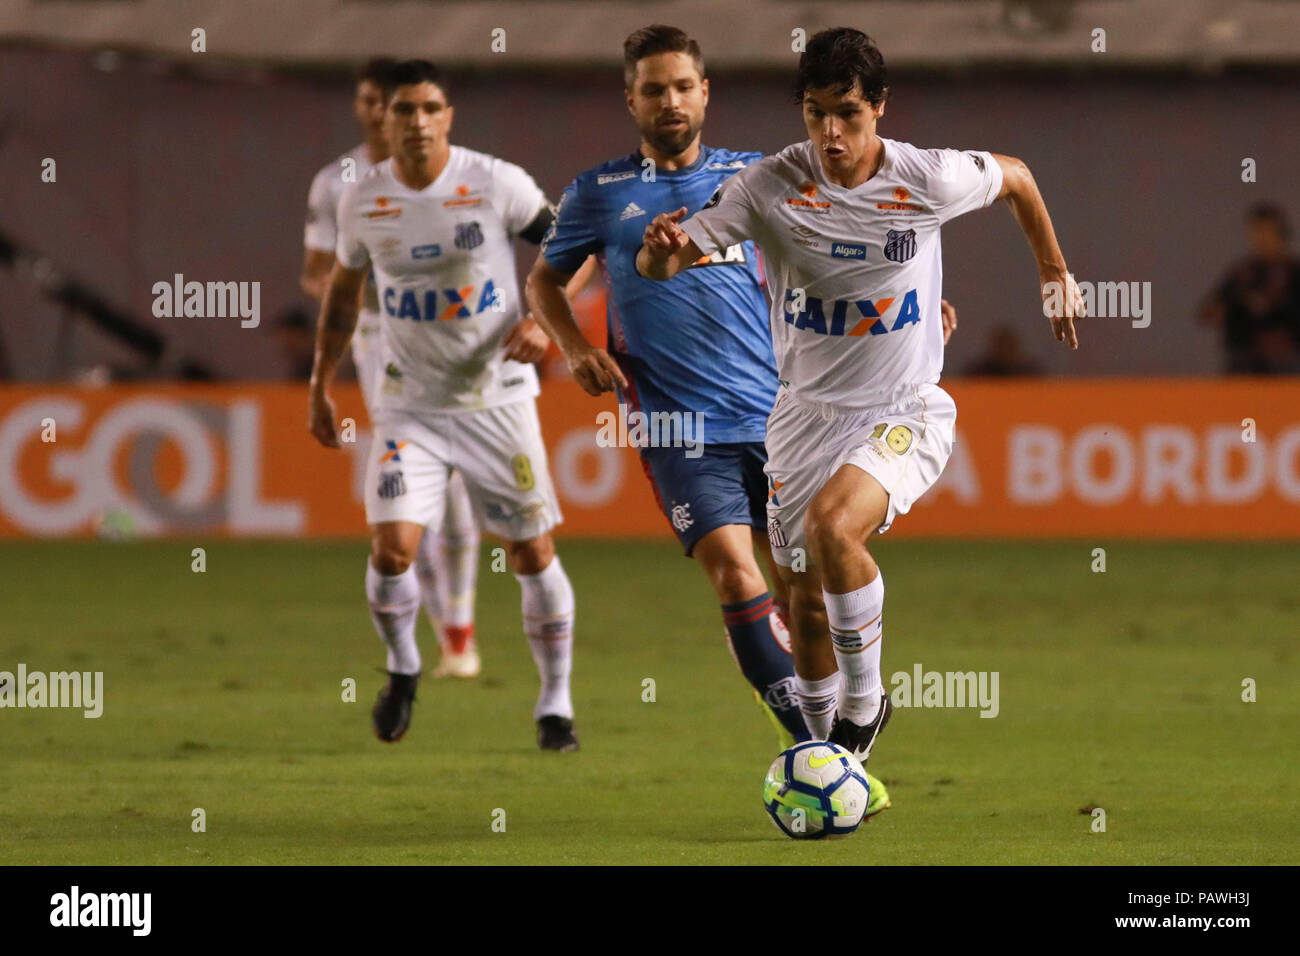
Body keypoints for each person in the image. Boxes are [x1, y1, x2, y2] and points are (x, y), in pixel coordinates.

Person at [636, 27, 1084, 773]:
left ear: (879, 106)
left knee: (833, 530)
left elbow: (1018, 177)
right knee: (803, 607)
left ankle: (865, 705)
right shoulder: (770, 186)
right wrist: (659, 246)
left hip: (901, 407)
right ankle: (824, 759)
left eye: (846, 112)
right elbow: (663, 263)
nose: (831, 133)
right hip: (803, 417)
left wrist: (1055, 271)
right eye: (815, 114)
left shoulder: (928, 177)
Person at [308, 59, 580, 751]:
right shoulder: (361, 199)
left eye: (431, 107)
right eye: (405, 110)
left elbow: (574, 250)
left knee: (530, 552)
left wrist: (546, 323)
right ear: (385, 119)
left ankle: (555, 703)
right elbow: (342, 294)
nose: (418, 121)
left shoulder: (495, 182)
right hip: (410, 405)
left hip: (497, 401)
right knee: (393, 549)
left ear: (448, 115)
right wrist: (320, 383)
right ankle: (404, 666)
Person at [302, 57, 484, 678]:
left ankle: (459, 628)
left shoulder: (453, 176)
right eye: (370, 102)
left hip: (451, 337)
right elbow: (315, 271)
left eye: (394, 103)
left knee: (458, 491)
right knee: (415, 491)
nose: (381, 114)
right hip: (380, 342)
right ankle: (447, 636)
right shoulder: (338, 182)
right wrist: (362, 285)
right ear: (363, 109)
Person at [1199, 203, 1300, 374]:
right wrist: (1232, 308)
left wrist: (1270, 308)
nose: (1261, 238)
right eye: (1256, 232)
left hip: (1285, 360)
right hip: (1244, 360)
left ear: (1281, 232)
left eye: (1267, 232)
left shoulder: (1294, 271)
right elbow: (1211, 310)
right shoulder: (1243, 273)